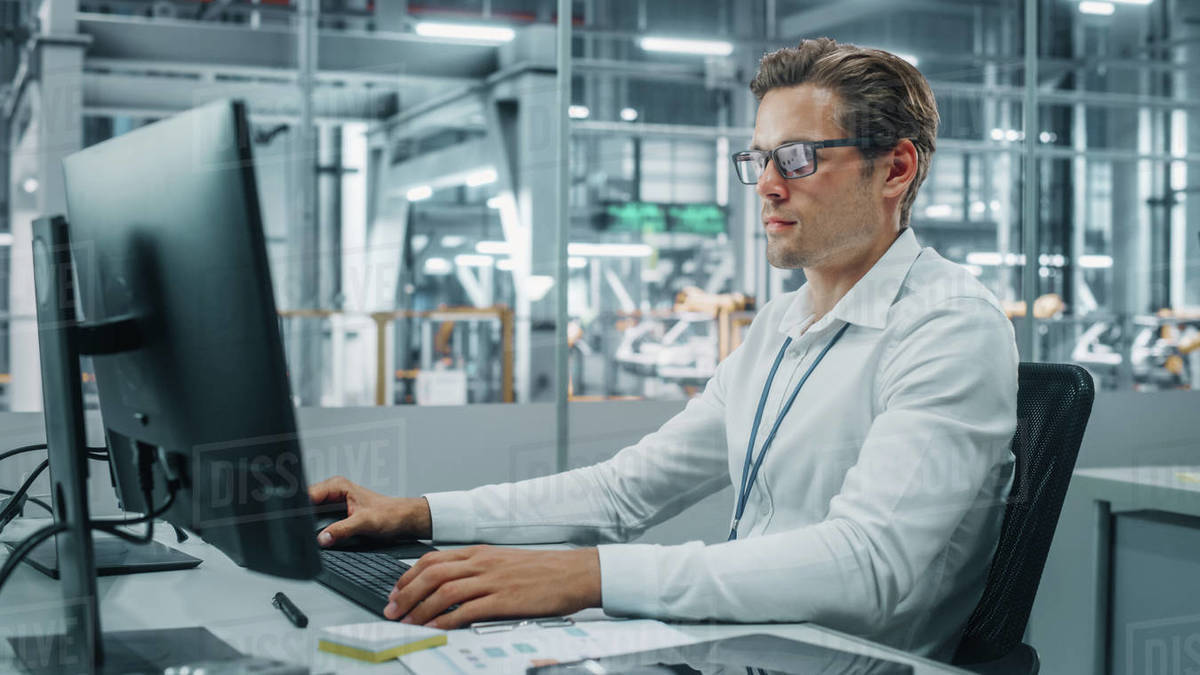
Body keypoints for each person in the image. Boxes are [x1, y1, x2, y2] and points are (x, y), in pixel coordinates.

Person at [308, 37, 1017, 661]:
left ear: (895, 169)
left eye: (798, 158)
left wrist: (591, 575)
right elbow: (625, 490)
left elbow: (868, 563)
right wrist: (420, 513)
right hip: (730, 650)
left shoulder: (948, 324)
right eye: (761, 159)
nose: (767, 185)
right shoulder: (780, 327)